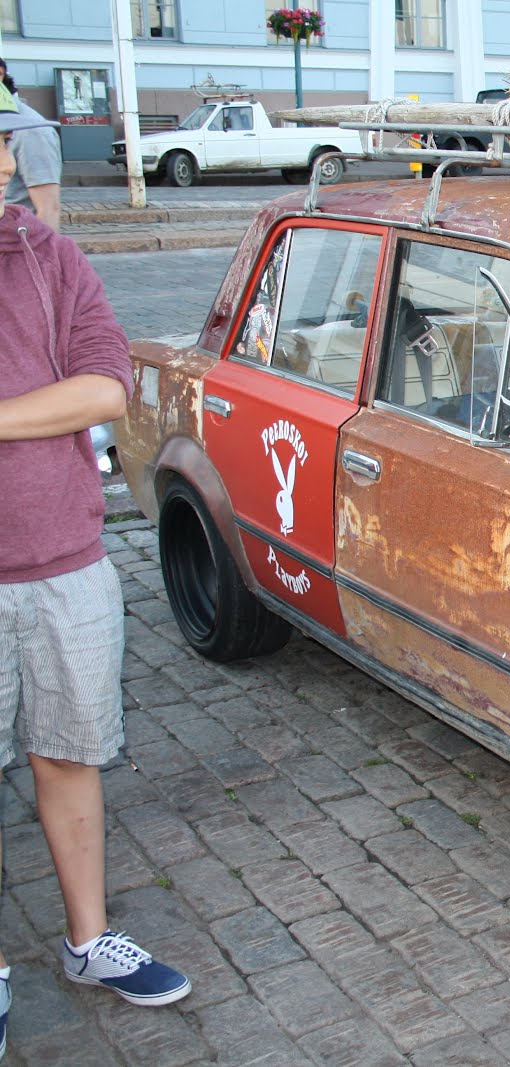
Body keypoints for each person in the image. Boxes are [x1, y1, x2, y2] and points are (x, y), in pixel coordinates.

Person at [0, 86, 192, 1059]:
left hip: (66, 559)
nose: (5, 164)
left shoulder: (50, 257)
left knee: (69, 754)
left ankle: (88, 941)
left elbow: (106, 385)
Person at [0, 60, 62, 231]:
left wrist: (41, 248)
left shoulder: (32, 130)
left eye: (6, 141)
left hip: (16, 240)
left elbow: (49, 209)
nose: (7, 166)